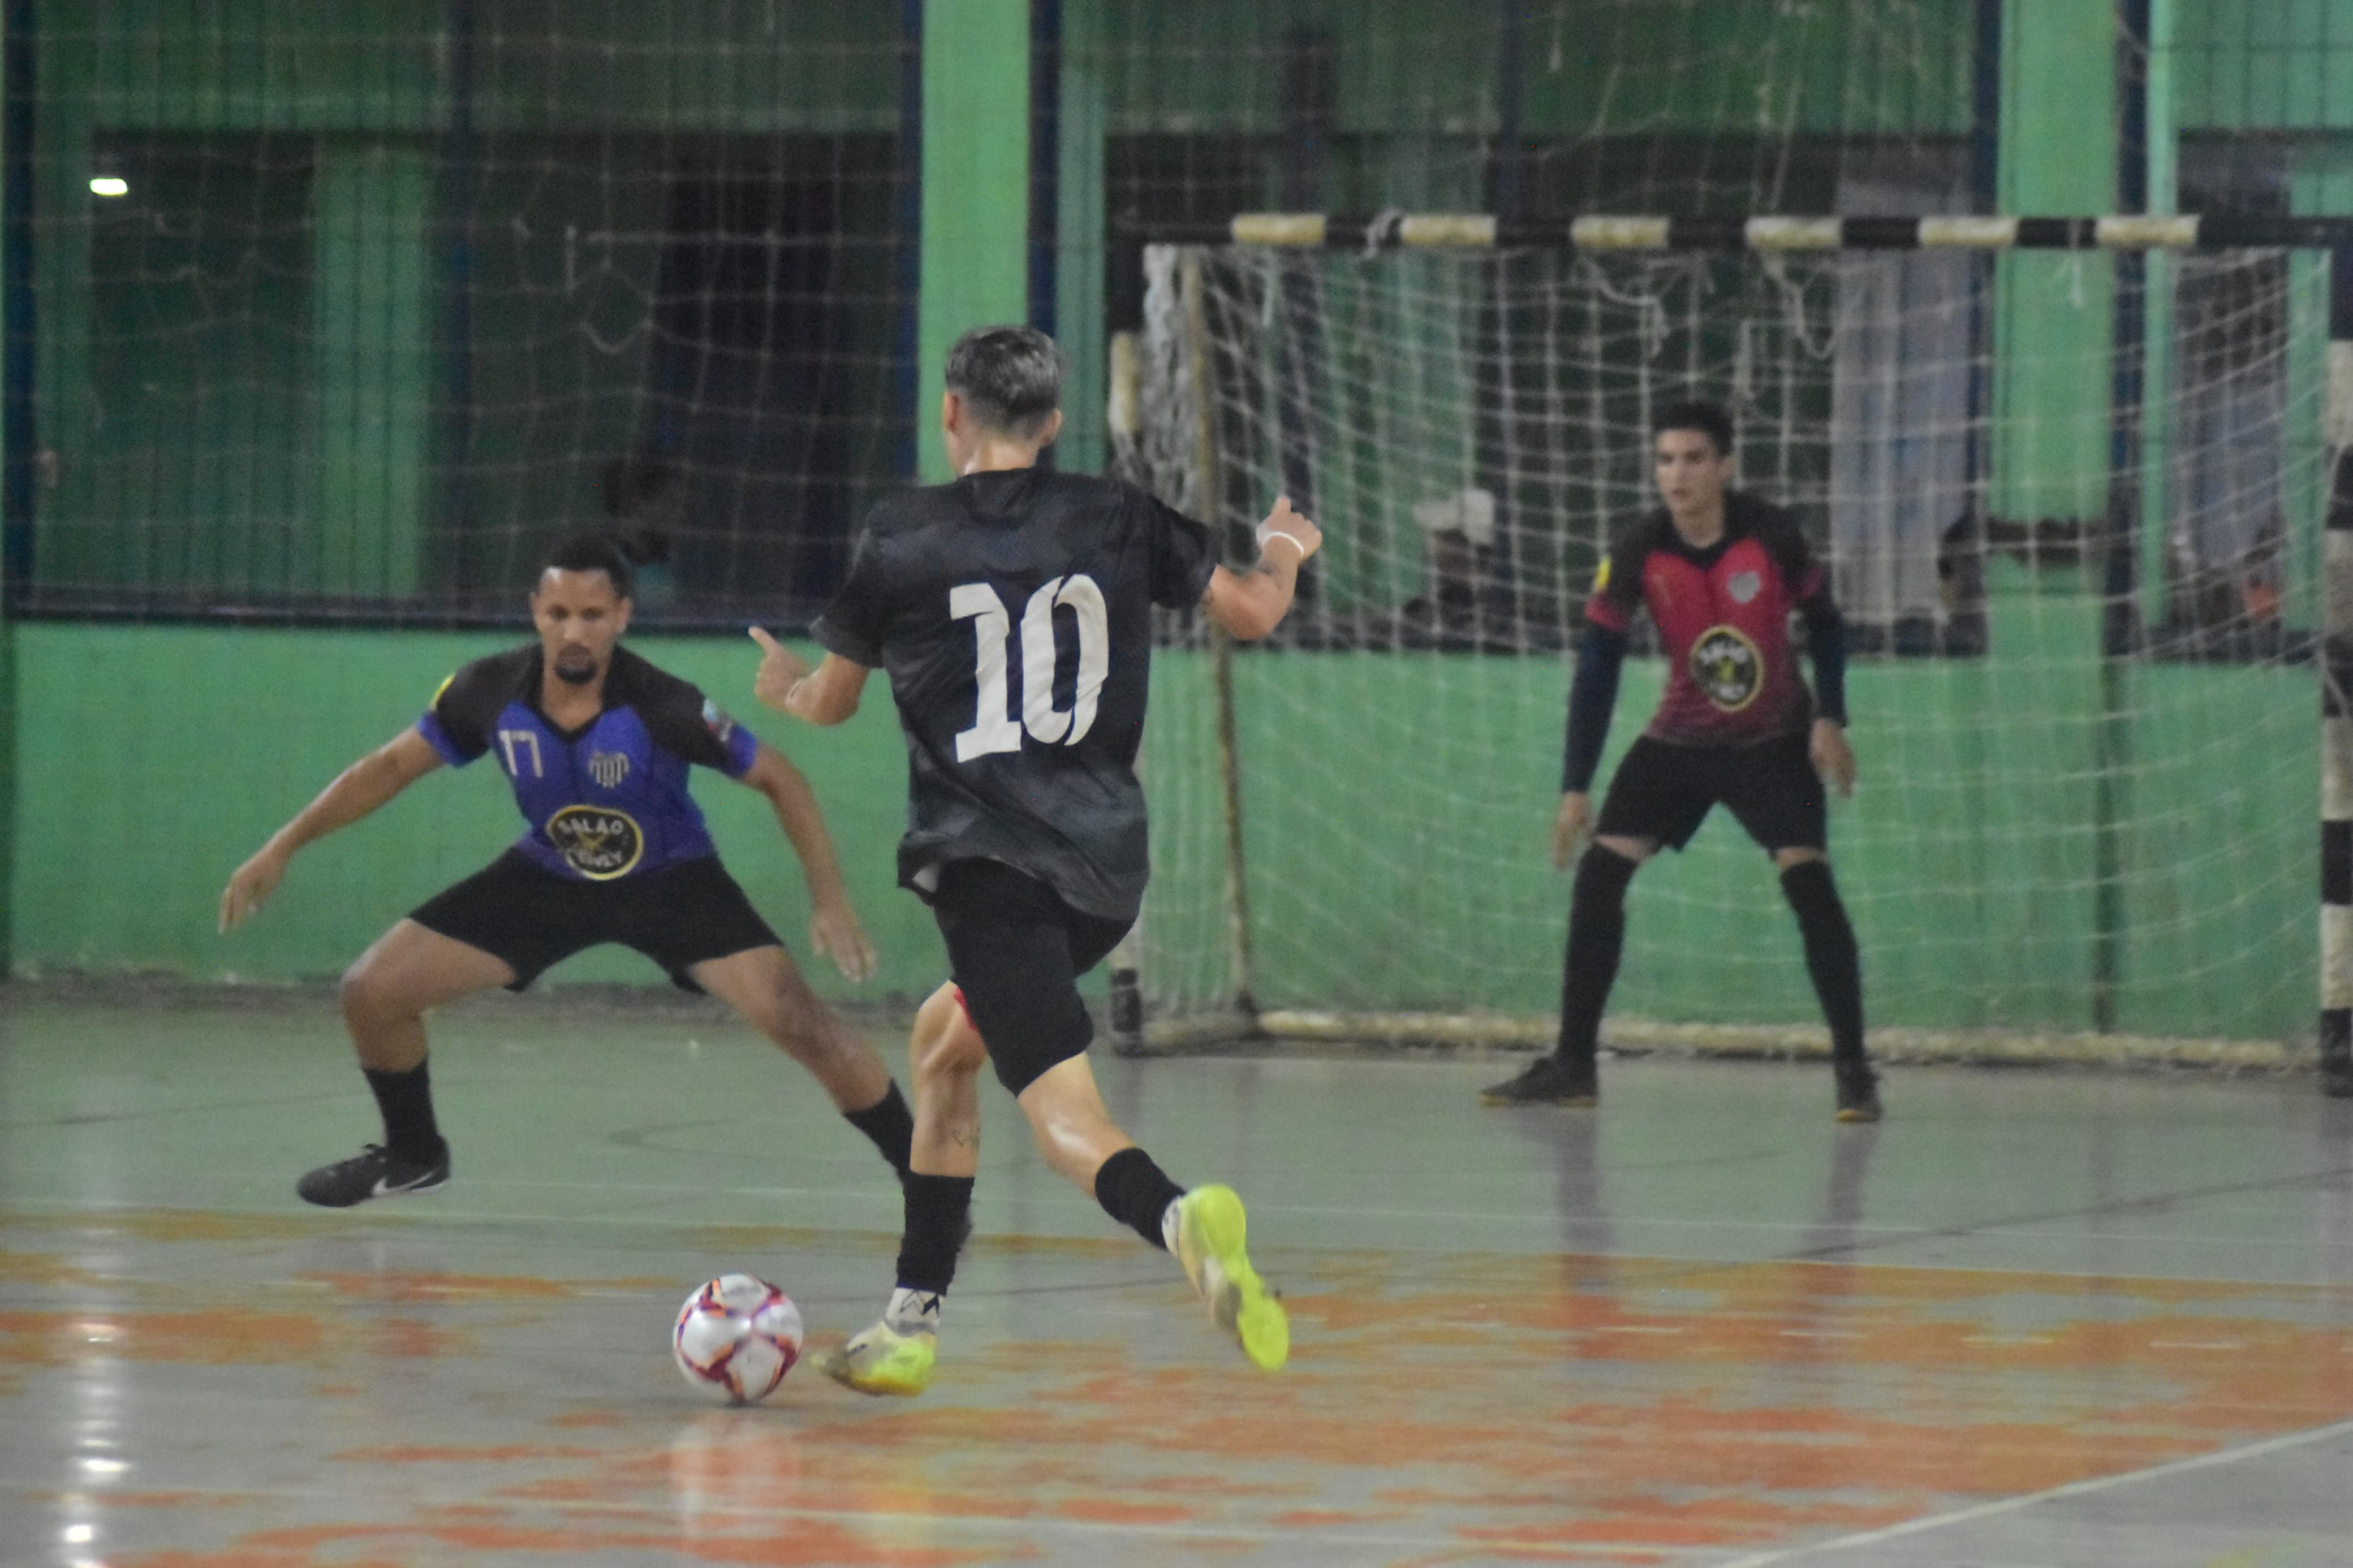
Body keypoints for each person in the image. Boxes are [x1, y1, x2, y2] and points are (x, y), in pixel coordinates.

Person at [749, 325, 1320, 1396]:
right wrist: (1286, 543)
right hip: (1105, 874)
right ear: (1052, 423)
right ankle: (909, 1323)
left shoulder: (902, 535)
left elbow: (830, 703)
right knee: (942, 1048)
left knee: (1063, 1118)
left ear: (950, 412)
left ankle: (1180, 1219)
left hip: (991, 872)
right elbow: (1253, 609)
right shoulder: (1114, 512)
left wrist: (784, 687)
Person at [219, 535, 919, 1206]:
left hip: (673, 883)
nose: (574, 632)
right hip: (549, 875)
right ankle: (413, 1156)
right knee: (370, 991)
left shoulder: (662, 702)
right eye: (558, 613)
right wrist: (283, 845)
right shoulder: (488, 691)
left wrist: (829, 901)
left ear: (622, 616)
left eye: (592, 615)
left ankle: (926, 1179)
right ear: (535, 612)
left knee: (801, 1024)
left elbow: (781, 779)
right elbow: (390, 767)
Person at [1483, 401, 1881, 1122]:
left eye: (1694, 459)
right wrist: (1574, 786)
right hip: (1679, 741)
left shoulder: (1772, 535)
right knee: (1599, 874)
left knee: (1807, 881)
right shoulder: (1638, 548)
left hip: (1772, 741)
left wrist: (1829, 715)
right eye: (1665, 460)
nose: (1677, 474)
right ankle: (1573, 1065)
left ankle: (1854, 1073)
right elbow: (1597, 668)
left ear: (1725, 465)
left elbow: (1825, 625)